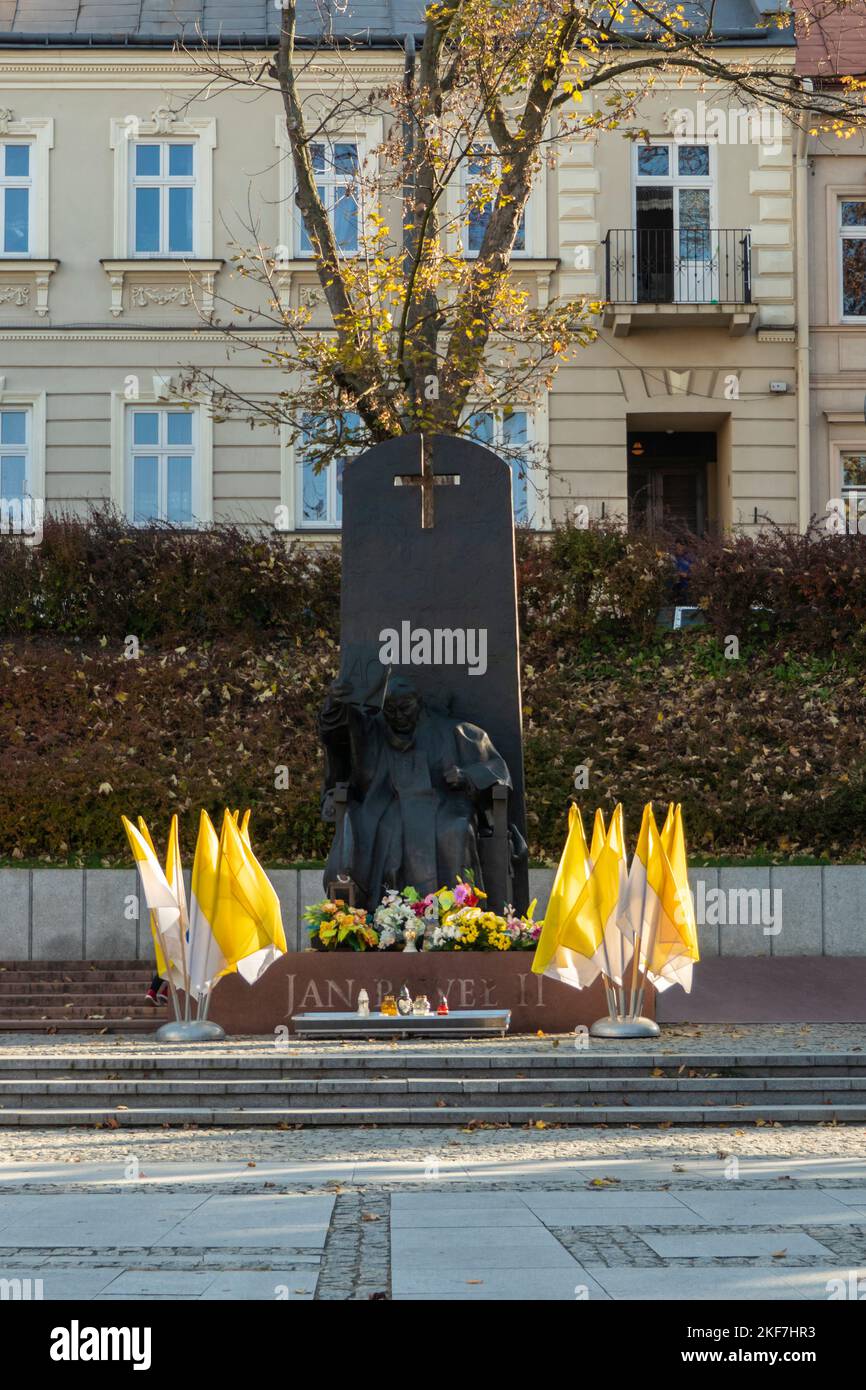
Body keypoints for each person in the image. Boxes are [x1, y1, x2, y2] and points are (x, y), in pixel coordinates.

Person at [319, 673, 524, 908]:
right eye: (391, 710)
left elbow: (496, 769)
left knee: (455, 830)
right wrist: (336, 700)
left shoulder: (456, 732)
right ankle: (387, 913)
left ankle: (457, 914)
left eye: (405, 708)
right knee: (384, 832)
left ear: (419, 703)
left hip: (444, 806)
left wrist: (467, 776)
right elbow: (335, 729)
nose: (399, 716)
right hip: (386, 806)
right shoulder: (373, 730)